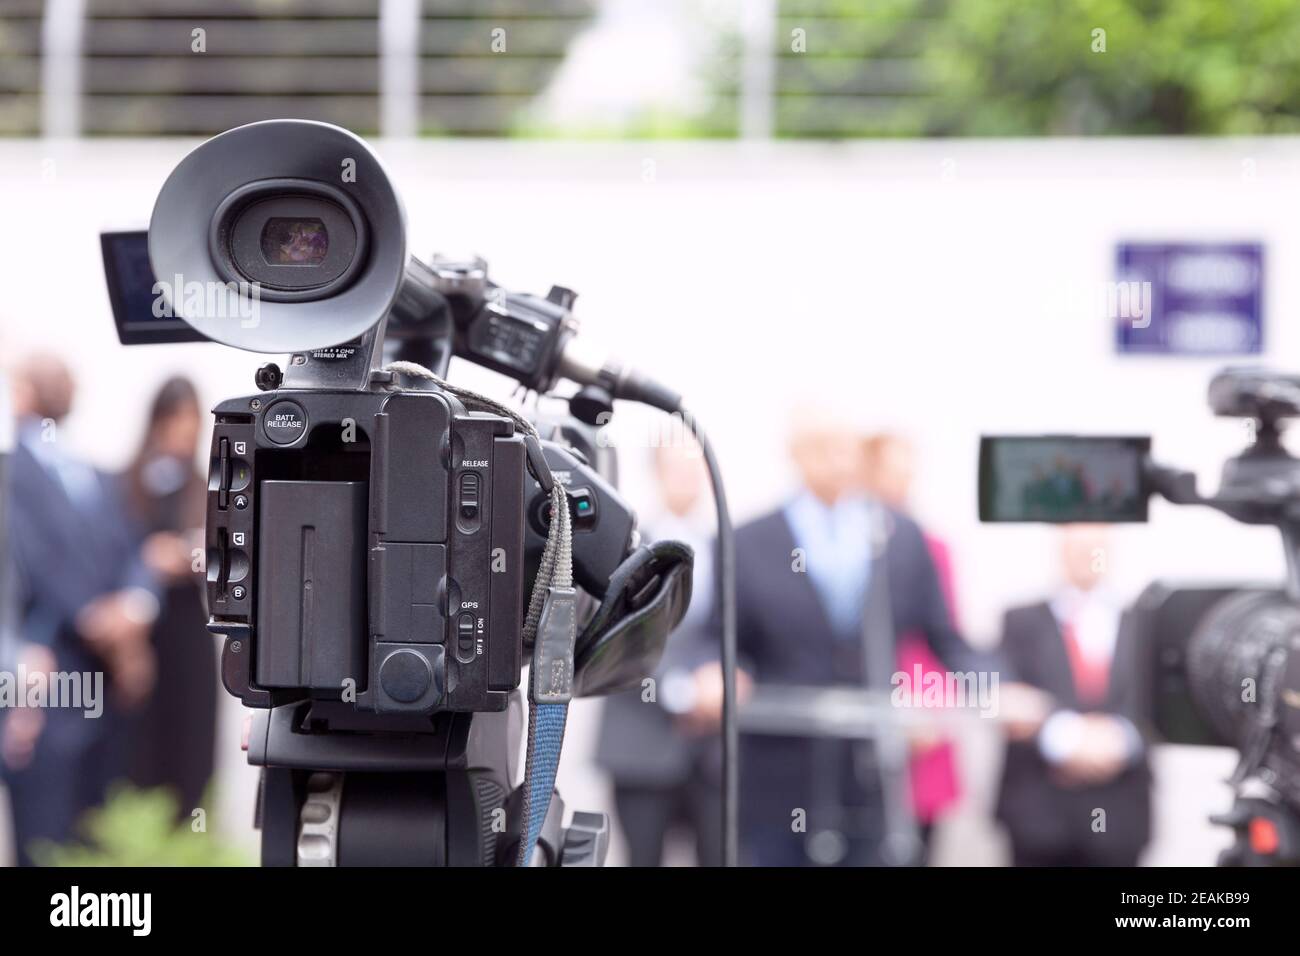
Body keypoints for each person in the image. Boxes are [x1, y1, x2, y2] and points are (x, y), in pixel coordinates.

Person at [733, 413, 987, 866]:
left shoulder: (902, 537)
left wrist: (995, 685)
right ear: (796, 454)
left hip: (873, 782)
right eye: (822, 447)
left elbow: (947, 638)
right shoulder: (750, 540)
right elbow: (718, 638)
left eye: (845, 448)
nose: (836, 461)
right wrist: (713, 673)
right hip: (779, 781)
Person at [2, 354, 159, 865]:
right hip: (45, 685)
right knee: (46, 841)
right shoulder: (8, 474)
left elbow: (133, 548)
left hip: (109, 686)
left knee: (99, 837)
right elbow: (31, 562)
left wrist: (133, 608)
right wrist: (95, 618)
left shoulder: (94, 471)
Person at [595, 441, 726, 866]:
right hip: (640, 744)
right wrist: (684, 692)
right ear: (657, 473)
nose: (687, 479)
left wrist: (725, 678)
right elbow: (619, 635)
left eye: (695, 470)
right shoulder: (627, 549)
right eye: (677, 469)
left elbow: (735, 630)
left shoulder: (726, 549)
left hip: (712, 752)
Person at [995, 524, 1152, 866]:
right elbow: (1007, 693)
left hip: (1119, 816)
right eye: (1076, 549)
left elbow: (1154, 699)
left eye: (1094, 549)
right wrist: (1066, 738)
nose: (1085, 558)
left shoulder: (1143, 624)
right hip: (1039, 816)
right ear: (1060, 553)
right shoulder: (1020, 621)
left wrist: (1119, 741)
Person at [860, 433, 962, 863]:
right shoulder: (845, 545)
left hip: (920, 714)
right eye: (891, 472)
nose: (901, 483)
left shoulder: (929, 546)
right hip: (861, 712)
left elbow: (945, 638)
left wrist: (928, 707)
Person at [120, 377, 217, 816]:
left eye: (191, 420)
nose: (184, 430)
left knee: (191, 744)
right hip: (142, 633)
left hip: (187, 630)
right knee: (141, 746)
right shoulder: (129, 485)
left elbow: (219, 559)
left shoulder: (208, 488)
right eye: (176, 419)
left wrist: (187, 556)